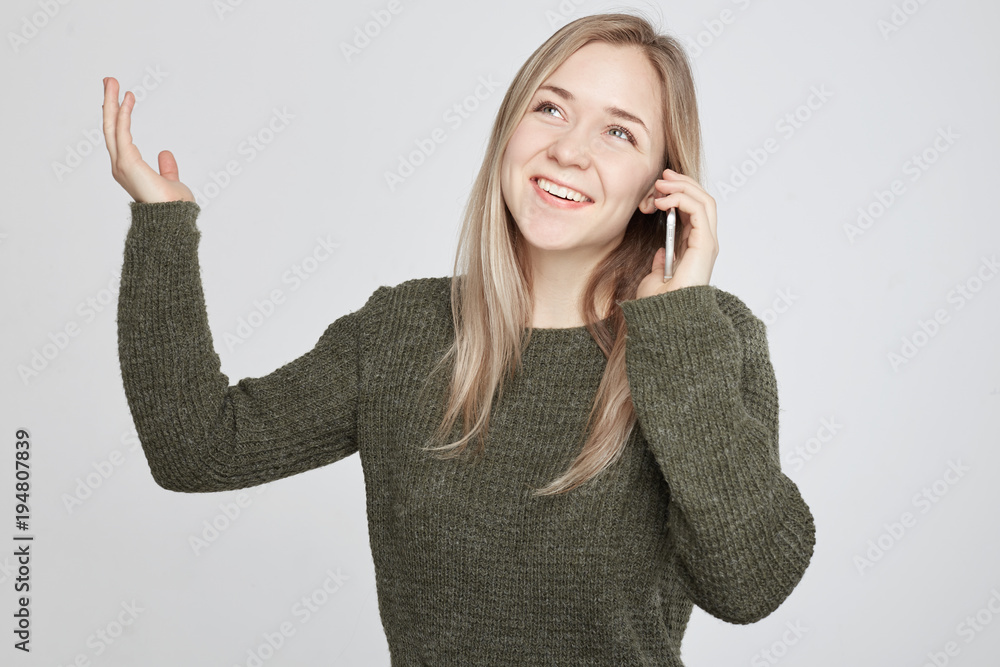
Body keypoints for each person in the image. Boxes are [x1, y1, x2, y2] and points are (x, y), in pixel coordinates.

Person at [104, 11, 815, 666]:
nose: (569, 149)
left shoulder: (703, 339)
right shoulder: (401, 332)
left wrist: (678, 329)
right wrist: (164, 225)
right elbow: (196, 447)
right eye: (550, 108)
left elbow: (748, 584)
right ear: (511, 130)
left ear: (661, 185)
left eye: (618, 131)